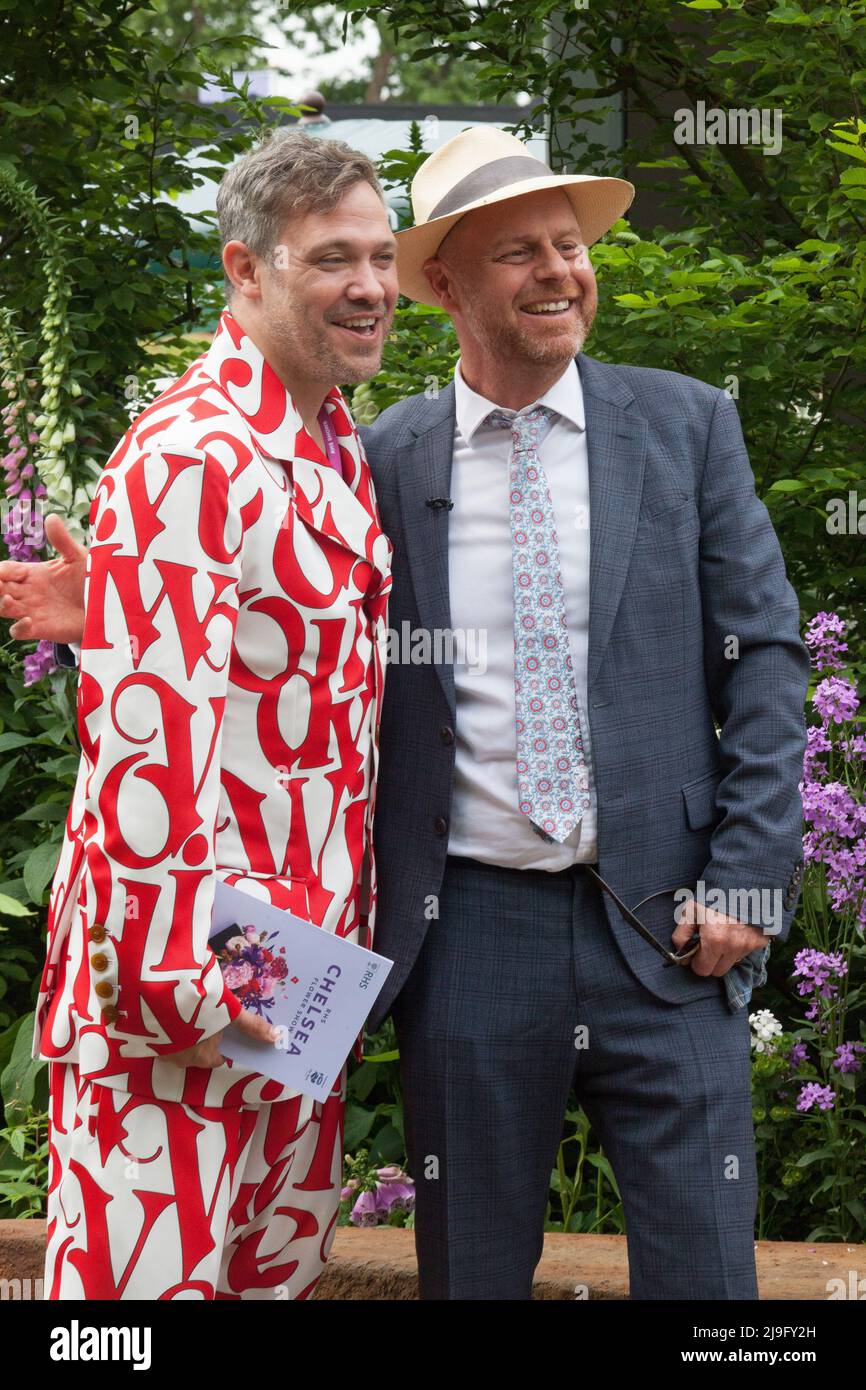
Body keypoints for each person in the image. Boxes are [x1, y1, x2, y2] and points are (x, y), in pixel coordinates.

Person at [1, 126, 809, 1301]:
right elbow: (205, 660)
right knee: (425, 1280)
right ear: (448, 284)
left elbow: (768, 657)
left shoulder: (678, 428)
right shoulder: (374, 453)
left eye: (567, 246)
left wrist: (745, 878)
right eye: (515, 252)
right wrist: (128, 599)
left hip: (663, 929)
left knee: (710, 1298)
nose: (554, 273)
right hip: (442, 940)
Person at [0, 130, 397, 1299]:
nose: (369, 286)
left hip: (293, 978)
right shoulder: (194, 451)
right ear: (246, 269)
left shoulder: (330, 442)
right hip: (185, 996)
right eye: (331, 258)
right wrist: (187, 990)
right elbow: (143, 756)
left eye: (379, 256)